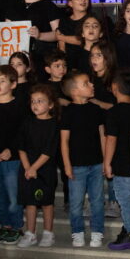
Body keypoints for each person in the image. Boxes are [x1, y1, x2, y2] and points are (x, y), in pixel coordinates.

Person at [59, 72, 107, 248]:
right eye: (86, 83)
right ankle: (77, 232)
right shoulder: (68, 112)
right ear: (74, 90)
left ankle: (97, 232)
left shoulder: (95, 110)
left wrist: (105, 160)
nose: (91, 85)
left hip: (96, 163)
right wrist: (67, 165)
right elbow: (64, 141)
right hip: (77, 165)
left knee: (97, 200)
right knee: (76, 202)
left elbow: (102, 135)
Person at [17, 83, 62, 248]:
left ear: (50, 104)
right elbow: (21, 148)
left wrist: (34, 168)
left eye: (40, 101)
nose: (35, 105)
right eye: (33, 101)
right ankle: (30, 233)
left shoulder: (54, 125)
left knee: (46, 202)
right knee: (30, 202)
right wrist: (28, 167)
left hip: (45, 169)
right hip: (27, 169)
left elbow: (48, 151)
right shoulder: (27, 123)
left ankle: (48, 233)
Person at [104, 71, 130, 251]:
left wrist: (107, 162)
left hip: (121, 161)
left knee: (125, 198)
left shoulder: (114, 112)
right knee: (129, 197)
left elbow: (111, 139)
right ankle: (127, 228)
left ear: (114, 88)